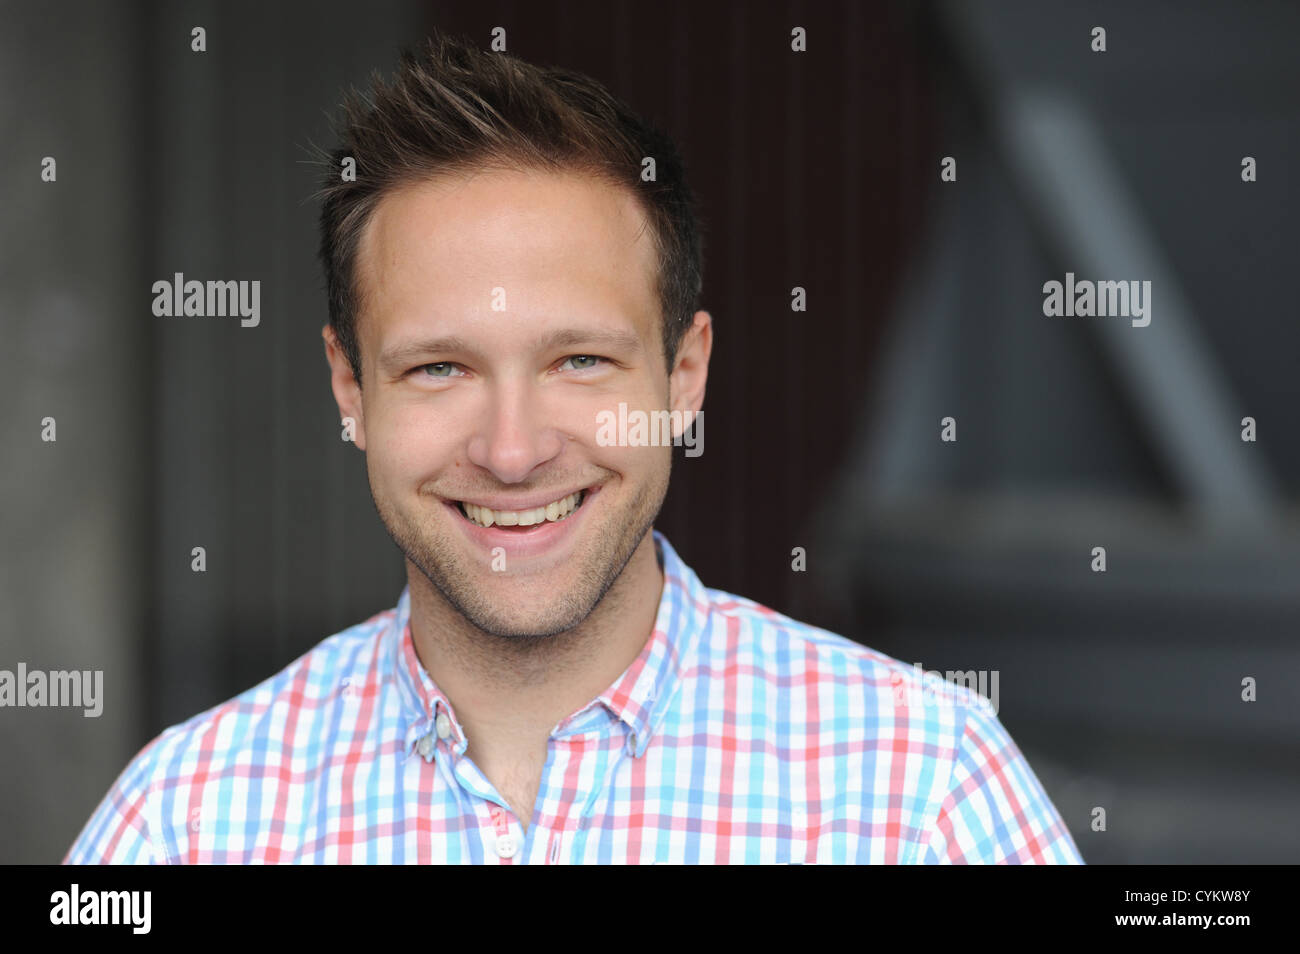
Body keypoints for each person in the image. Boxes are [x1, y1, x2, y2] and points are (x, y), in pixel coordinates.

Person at [65, 32, 1082, 864]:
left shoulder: (918, 790)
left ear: (684, 378)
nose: (512, 453)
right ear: (349, 391)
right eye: (439, 370)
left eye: (580, 362)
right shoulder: (189, 821)